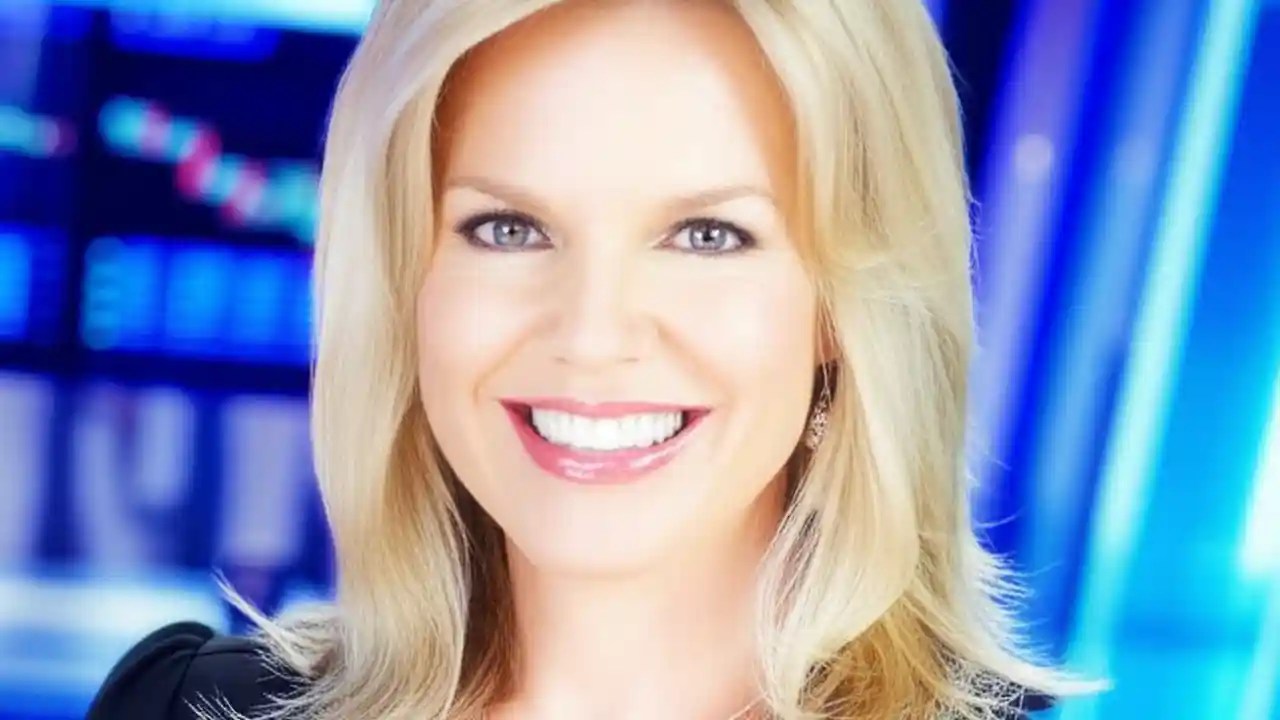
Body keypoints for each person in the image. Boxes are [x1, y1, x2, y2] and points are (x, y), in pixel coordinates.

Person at [89, 0, 1091, 718]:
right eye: (508, 227)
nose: (591, 332)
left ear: (842, 306)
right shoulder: (182, 709)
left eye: (705, 235)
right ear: (407, 284)